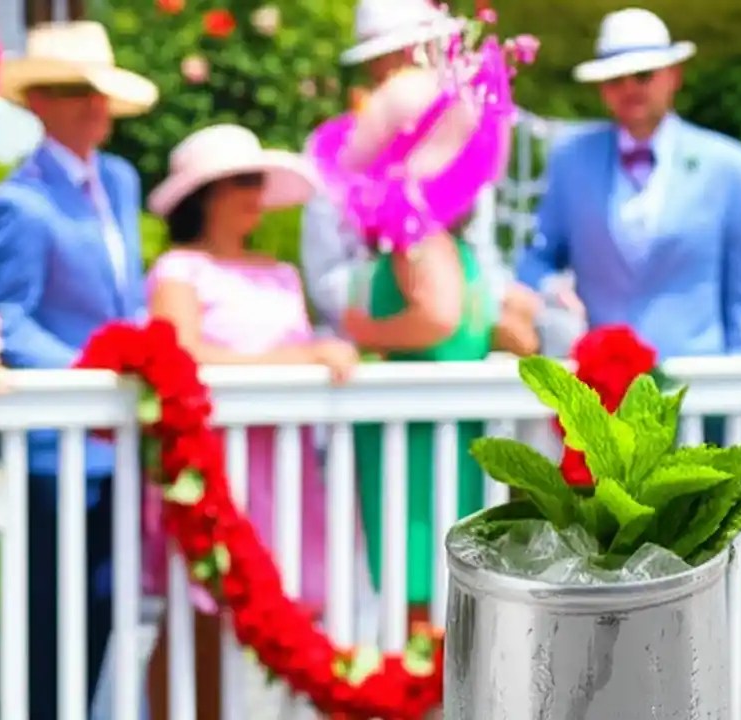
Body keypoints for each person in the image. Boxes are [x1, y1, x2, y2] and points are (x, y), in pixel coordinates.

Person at [308, 13, 530, 628]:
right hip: (429, 422)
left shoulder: (427, 225)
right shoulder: (441, 239)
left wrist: (363, 326)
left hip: (429, 426)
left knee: (427, 594)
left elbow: (442, 311)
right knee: (438, 593)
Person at [0, 20, 158, 720]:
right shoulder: (18, 201)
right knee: (53, 611)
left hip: (118, 438)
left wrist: (143, 362)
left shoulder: (119, 179)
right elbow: (8, 321)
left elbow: (127, 299)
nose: (93, 106)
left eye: (98, 92)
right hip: (56, 446)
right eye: (75, 92)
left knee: (109, 605)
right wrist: (97, 373)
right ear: (39, 102)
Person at [138, 124, 357, 719]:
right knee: (197, 614)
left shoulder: (281, 272)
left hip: (284, 467)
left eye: (257, 178)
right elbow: (181, 352)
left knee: (291, 610)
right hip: (210, 464)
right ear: (203, 195)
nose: (254, 192)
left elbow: (315, 352)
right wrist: (303, 358)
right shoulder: (179, 270)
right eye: (240, 180)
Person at [302, 0, 539, 357]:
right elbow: (327, 277)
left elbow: (481, 255)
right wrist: (396, 306)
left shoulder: (463, 147)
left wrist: (494, 309)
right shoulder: (339, 154)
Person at [518, 8, 741, 363]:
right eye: (615, 80)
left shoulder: (728, 165)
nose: (629, 89)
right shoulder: (571, 158)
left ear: (673, 75)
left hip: (700, 389)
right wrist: (553, 289)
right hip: (603, 387)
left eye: (643, 75)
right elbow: (536, 259)